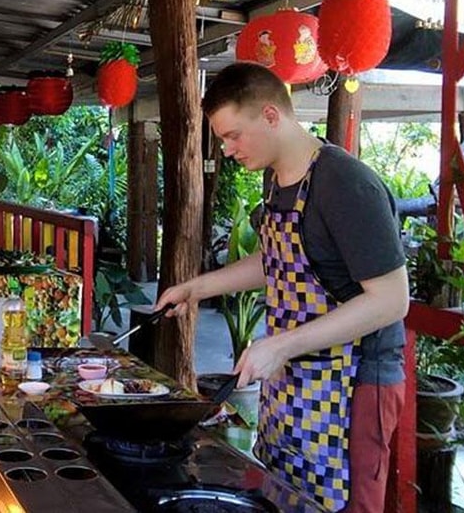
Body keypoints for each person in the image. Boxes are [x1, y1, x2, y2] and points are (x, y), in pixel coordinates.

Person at [156, 62, 409, 513]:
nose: (228, 149)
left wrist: (282, 346)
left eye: (233, 135)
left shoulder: (345, 183)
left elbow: (392, 299)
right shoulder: (277, 179)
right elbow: (275, 259)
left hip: (355, 383)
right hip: (294, 373)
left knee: (344, 504)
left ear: (271, 115)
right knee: (283, 492)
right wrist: (196, 288)